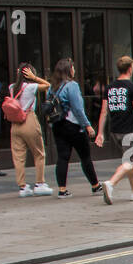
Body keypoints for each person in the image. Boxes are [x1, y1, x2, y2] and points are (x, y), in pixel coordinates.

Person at [94, 55, 133, 202]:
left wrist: (100, 133)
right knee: (130, 162)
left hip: (114, 131)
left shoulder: (110, 87)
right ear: (130, 68)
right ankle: (111, 183)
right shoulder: (132, 87)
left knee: (129, 160)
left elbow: (103, 111)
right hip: (128, 131)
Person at [45, 58, 101, 199]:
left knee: (63, 157)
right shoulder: (72, 85)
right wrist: (87, 125)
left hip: (58, 125)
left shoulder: (52, 87)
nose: (74, 70)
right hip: (73, 126)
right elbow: (77, 109)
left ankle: (62, 189)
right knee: (85, 156)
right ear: (69, 70)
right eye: (73, 67)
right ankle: (95, 185)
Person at [8, 63, 52, 197]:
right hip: (28, 119)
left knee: (18, 156)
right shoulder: (31, 87)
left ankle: (22, 187)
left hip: (15, 123)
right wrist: (35, 78)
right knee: (39, 153)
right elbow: (48, 86)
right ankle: (39, 183)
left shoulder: (12, 87)